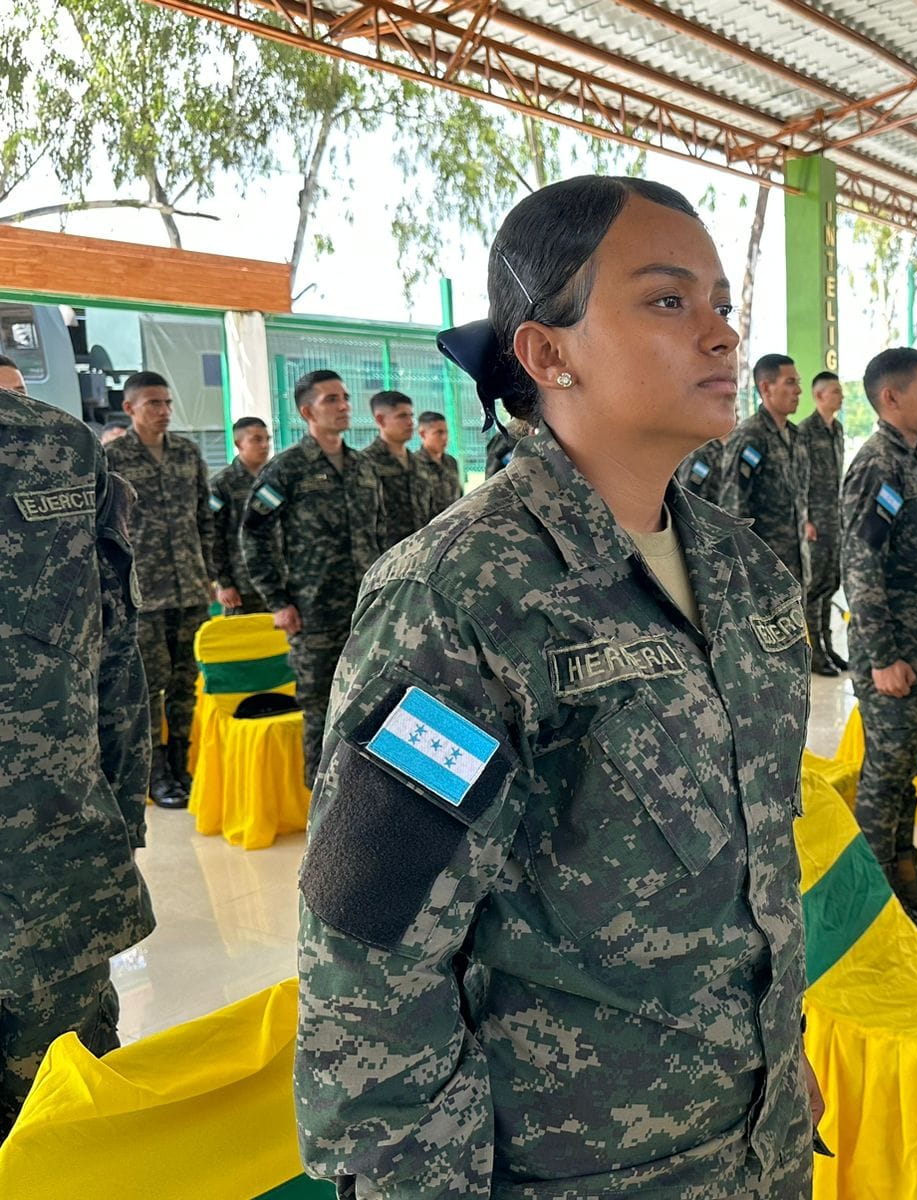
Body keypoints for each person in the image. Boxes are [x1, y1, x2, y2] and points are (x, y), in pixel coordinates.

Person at [295, 175, 820, 1197]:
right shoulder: (462, 593)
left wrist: (778, 1055)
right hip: (573, 1165)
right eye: (669, 300)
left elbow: (756, 862)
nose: (720, 335)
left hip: (754, 1138)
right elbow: (372, 947)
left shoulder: (743, 570)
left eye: (721, 303)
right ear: (547, 352)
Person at [0, 381, 154, 1134]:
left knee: (64, 1118)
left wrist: (119, 824)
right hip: (56, 865)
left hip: (52, 870)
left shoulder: (56, 449)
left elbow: (115, 651)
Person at [840, 347, 917, 941]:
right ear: (891, 398)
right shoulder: (878, 467)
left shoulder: (916, 461)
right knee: (884, 781)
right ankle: (874, 913)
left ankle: (906, 891)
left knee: (906, 777)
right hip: (894, 657)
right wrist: (884, 656)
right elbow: (861, 565)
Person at [241, 370, 385, 791]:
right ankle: (318, 795)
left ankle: (360, 791)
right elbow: (253, 532)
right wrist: (276, 599)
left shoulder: (363, 467)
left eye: (344, 398)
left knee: (367, 697)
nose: (343, 406)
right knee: (319, 705)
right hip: (312, 608)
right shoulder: (286, 469)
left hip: (365, 606)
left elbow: (378, 534)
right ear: (307, 412)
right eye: (330, 400)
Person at [105, 370, 216, 810]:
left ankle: (183, 766)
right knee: (149, 688)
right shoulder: (112, 458)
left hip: (190, 588)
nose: (164, 411)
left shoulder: (188, 454)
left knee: (187, 683)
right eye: (153, 403)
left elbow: (205, 518)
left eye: (167, 403)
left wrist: (209, 573)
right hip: (142, 593)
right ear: (130, 408)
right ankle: (155, 776)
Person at [718, 354, 811, 597]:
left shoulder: (796, 436)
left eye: (797, 382)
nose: (799, 391)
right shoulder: (751, 437)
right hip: (762, 571)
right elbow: (733, 509)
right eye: (790, 383)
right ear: (766, 388)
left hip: (796, 564)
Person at [799, 370, 848, 675]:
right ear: (819, 396)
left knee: (831, 584)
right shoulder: (805, 431)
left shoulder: (838, 429)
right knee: (815, 588)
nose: (841, 397)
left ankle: (828, 647)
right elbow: (799, 479)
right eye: (835, 392)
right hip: (814, 521)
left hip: (835, 519)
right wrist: (805, 518)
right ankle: (814, 653)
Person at [208, 416, 273, 615]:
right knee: (246, 641)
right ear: (238, 443)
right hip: (242, 585)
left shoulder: (276, 479)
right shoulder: (222, 484)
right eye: (256, 440)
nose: (265, 445)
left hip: (279, 582)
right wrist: (224, 582)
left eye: (267, 439)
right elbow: (211, 535)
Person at [360, 389, 431, 550]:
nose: (410, 422)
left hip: (421, 551)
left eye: (411, 415)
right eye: (402, 416)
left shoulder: (418, 463)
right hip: (385, 558)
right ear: (380, 420)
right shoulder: (365, 463)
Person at [415, 409, 463, 519]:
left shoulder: (450, 462)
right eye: (439, 432)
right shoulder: (414, 464)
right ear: (422, 434)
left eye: (446, 432)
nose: (445, 437)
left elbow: (459, 496)